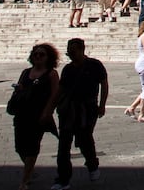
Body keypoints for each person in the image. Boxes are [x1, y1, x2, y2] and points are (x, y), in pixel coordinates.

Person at [54, 37, 108, 187]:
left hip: (88, 108)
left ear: (82, 50)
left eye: (73, 52)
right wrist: (51, 107)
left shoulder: (94, 65)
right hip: (69, 110)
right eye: (69, 53)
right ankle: (63, 179)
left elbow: (104, 84)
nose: (71, 55)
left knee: (85, 139)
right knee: (64, 144)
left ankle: (92, 164)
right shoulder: (68, 69)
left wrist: (102, 105)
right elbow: (61, 89)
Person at [7, 43, 61, 190]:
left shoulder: (51, 74)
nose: (38, 57)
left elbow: (55, 95)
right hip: (21, 114)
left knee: (31, 147)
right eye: (36, 54)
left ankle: (24, 181)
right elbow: (20, 89)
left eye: (42, 54)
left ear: (48, 57)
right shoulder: (26, 72)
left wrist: (47, 112)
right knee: (19, 147)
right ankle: (29, 170)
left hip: (38, 115)